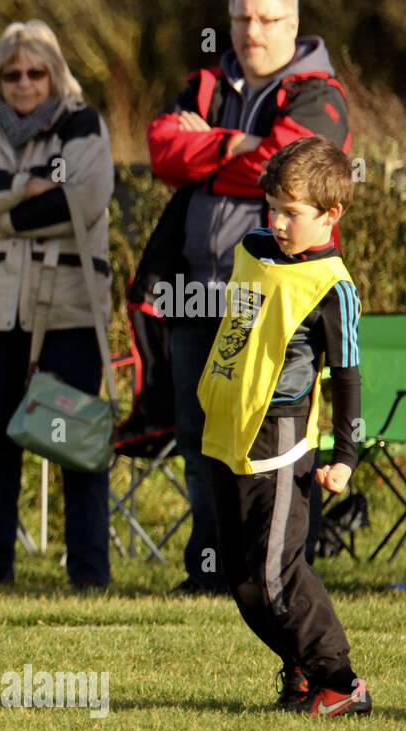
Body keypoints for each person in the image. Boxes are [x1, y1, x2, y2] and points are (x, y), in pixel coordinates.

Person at [142, 0, 348, 594]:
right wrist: (240, 144)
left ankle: (281, 570)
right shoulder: (205, 82)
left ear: (294, 23)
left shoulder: (320, 94)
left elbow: (286, 171)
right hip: (194, 292)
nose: (251, 31)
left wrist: (208, 150)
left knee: (275, 440)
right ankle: (210, 567)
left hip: (276, 304)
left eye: (266, 19)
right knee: (200, 436)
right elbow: (161, 152)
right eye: (241, 19)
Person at [0, 20, 114, 590]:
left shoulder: (83, 122)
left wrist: (1, 216)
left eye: (36, 72)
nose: (24, 83)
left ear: (55, 73)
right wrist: (22, 188)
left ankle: (88, 573)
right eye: (12, 73)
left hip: (67, 304)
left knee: (77, 439)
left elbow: (82, 199)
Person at [198, 137, 369, 716]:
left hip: (280, 441)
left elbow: (347, 379)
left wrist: (345, 454)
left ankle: (341, 684)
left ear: (331, 213)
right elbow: (241, 330)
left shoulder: (333, 288)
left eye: (291, 213)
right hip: (227, 432)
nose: (276, 222)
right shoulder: (254, 249)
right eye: (270, 207)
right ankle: (301, 671)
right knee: (240, 580)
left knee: (275, 577)